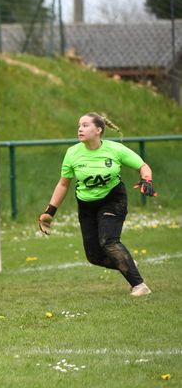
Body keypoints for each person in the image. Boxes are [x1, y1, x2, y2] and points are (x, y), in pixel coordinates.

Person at [38, 112, 157, 296]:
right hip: (86, 206)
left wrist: (147, 179)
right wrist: (49, 212)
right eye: (79, 125)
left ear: (99, 130)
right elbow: (63, 184)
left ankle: (140, 285)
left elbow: (143, 166)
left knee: (108, 242)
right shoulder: (72, 153)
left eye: (85, 125)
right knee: (93, 256)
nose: (80, 128)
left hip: (113, 199)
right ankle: (127, 263)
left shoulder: (115, 149)